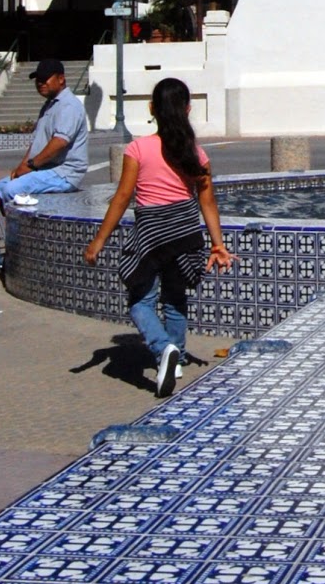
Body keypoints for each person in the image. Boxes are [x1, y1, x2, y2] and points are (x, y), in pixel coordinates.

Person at [84, 77, 235, 397]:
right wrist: (218, 244)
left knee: (141, 301)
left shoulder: (138, 149)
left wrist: (99, 240)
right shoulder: (196, 154)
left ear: (152, 108)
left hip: (151, 235)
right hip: (185, 232)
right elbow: (207, 201)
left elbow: (122, 197)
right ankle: (176, 357)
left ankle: (163, 347)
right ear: (188, 109)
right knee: (175, 299)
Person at [0, 59, 89, 205]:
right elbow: (36, 144)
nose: (40, 83)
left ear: (61, 79)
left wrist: (30, 166)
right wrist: (21, 167)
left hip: (64, 173)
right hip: (45, 169)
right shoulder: (49, 105)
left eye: (45, 79)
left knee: (11, 190)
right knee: (0, 187)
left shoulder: (69, 105)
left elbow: (59, 143)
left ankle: (25, 220)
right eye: (38, 79)